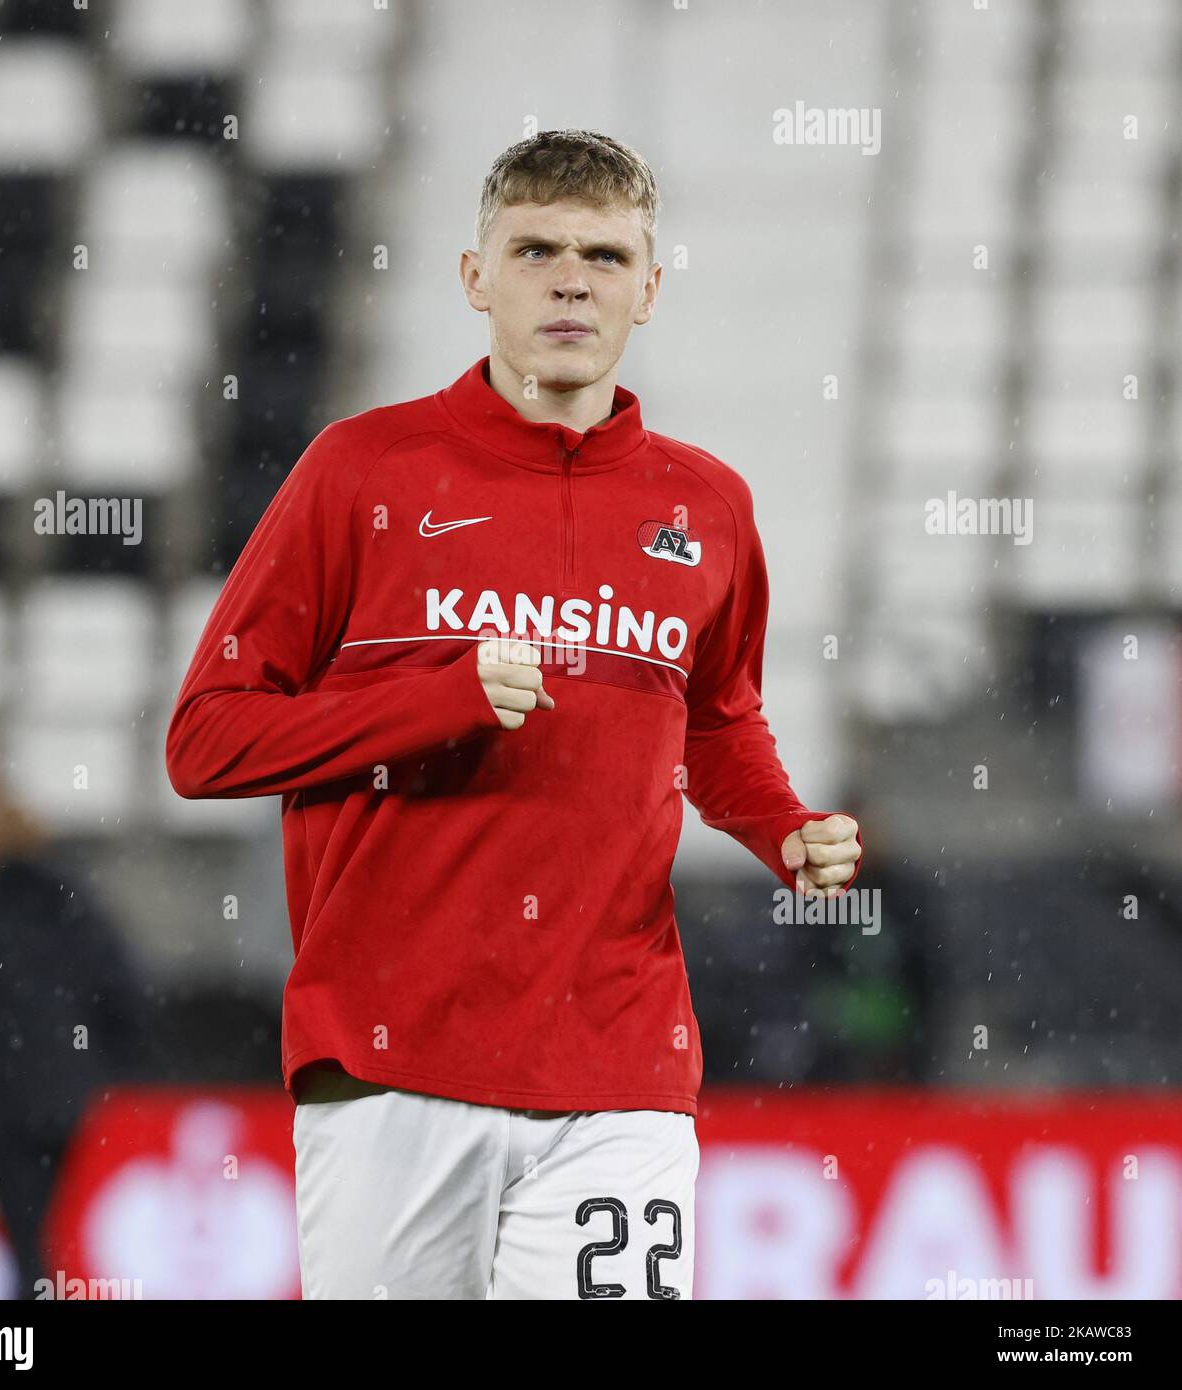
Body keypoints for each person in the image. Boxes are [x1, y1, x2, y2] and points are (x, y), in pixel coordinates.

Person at [166, 128, 862, 1300]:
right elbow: (206, 740)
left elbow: (716, 721)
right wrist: (434, 701)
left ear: (649, 286)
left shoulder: (708, 505)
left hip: (619, 1067)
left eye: (603, 252)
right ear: (474, 276)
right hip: (392, 1056)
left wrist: (779, 825)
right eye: (534, 247)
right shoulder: (358, 473)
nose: (570, 277)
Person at [0, 785, 144, 1299]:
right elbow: (124, 992)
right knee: (53, 1223)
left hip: (2, 1098)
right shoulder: (76, 904)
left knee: (22, 1226)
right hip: (70, 1099)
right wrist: (114, 1071)